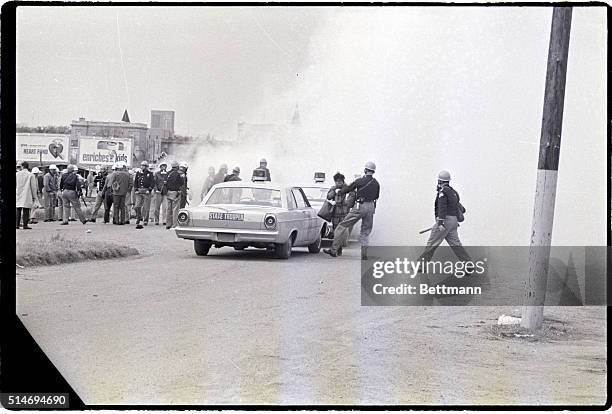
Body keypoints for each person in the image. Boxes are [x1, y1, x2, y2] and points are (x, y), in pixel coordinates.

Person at [324, 161, 380, 260]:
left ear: (365, 170)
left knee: (342, 225)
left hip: (360, 206)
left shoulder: (359, 181)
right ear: (373, 171)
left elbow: (349, 188)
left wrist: (339, 191)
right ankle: (364, 254)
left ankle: (333, 250)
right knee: (365, 231)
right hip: (371, 207)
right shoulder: (376, 183)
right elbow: (376, 196)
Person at [418, 170, 471, 263]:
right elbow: (461, 208)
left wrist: (440, 223)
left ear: (440, 181)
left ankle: (420, 266)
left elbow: (442, 207)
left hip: (445, 221)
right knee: (456, 245)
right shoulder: (453, 192)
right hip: (453, 222)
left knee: (432, 244)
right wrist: (453, 221)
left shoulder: (442, 192)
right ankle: (468, 265)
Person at [326, 172, 357, 254]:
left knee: (342, 231)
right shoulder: (333, 188)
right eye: (336, 181)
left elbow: (351, 201)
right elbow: (328, 196)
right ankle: (338, 248)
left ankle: (337, 248)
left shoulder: (348, 189)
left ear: (343, 181)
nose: (338, 183)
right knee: (336, 231)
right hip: (335, 214)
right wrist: (334, 192)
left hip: (344, 214)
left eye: (339, 181)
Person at [16, 161, 40, 229]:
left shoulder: (17, 174)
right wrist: (34, 196)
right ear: (27, 167)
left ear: (22, 166)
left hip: (18, 193)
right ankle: (25, 225)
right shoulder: (30, 175)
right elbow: (33, 187)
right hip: (27, 194)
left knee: (18, 209)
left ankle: (17, 224)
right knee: (26, 210)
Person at [133, 161, 155, 229]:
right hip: (139, 191)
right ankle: (139, 217)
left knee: (146, 207)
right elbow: (135, 182)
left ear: (146, 167)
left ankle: (145, 220)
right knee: (137, 206)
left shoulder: (150, 174)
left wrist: (149, 190)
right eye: (142, 165)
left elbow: (152, 183)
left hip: (146, 191)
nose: (142, 167)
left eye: (144, 166)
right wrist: (136, 190)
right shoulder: (138, 173)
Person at [165, 161, 185, 229]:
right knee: (175, 209)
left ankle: (168, 224)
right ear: (177, 166)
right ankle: (174, 225)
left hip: (168, 192)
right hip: (175, 193)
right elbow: (181, 183)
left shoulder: (168, 173)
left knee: (169, 209)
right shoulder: (178, 174)